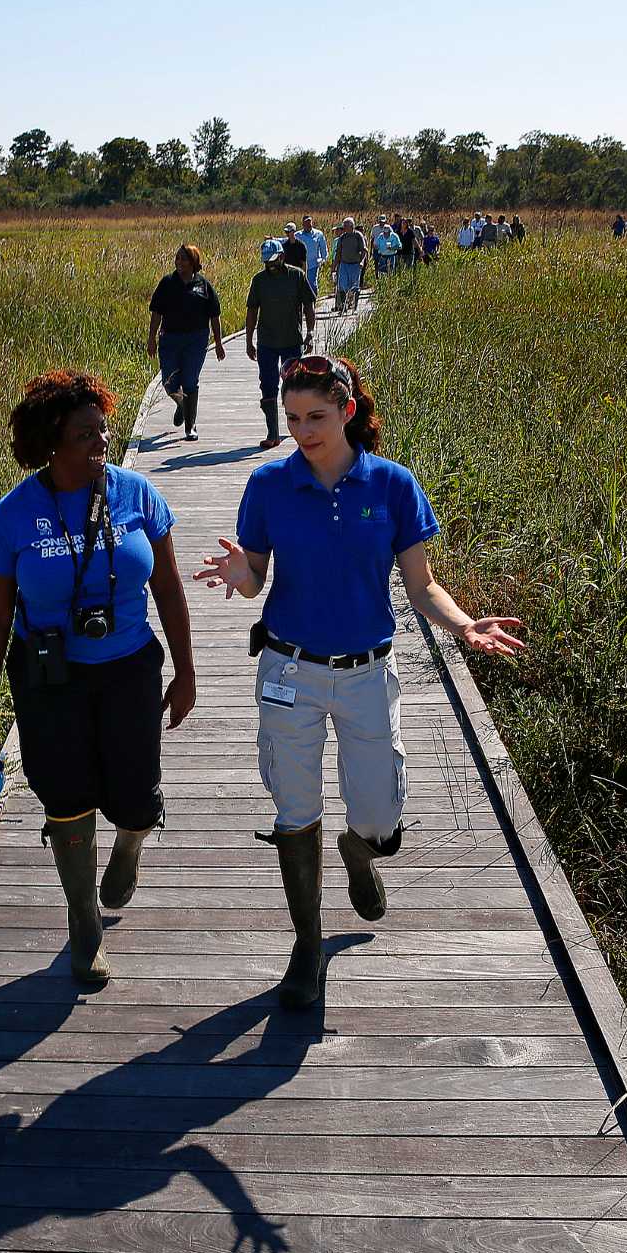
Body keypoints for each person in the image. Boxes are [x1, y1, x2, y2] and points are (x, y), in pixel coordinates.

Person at [194, 356, 525, 1007]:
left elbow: (421, 584)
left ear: (347, 411)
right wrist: (242, 577)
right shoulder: (268, 485)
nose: (303, 431)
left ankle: (358, 849)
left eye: (316, 416)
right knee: (294, 810)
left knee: (380, 816)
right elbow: (256, 576)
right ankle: (307, 948)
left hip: (368, 672)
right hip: (289, 669)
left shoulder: (393, 486)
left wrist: (464, 627)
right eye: (292, 419)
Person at [0, 372, 197, 984]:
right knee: (65, 796)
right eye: (83, 434)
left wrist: (186, 669)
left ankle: (130, 845)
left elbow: (168, 586)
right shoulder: (14, 515)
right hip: (49, 678)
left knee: (136, 794)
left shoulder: (137, 495)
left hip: (128, 666)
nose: (100, 441)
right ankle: (83, 926)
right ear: (52, 442)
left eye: (102, 428)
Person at [146, 243, 225, 442]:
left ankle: (190, 426)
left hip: (196, 340)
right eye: (177, 258)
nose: (179, 262)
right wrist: (151, 339)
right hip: (170, 339)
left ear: (193, 262)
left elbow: (214, 315)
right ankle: (183, 405)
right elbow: (156, 312)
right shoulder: (167, 283)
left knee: (190, 381)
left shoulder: (203, 285)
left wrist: (219, 342)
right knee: (169, 383)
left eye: (183, 259)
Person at [245, 237, 317, 449]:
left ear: (282, 257)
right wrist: (249, 341)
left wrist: (310, 332)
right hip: (267, 341)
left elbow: (309, 307)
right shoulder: (259, 280)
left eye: (273, 261)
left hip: (291, 341)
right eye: (266, 262)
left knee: (293, 386)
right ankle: (272, 433)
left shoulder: (297, 276)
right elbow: (252, 311)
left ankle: (297, 429)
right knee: (267, 385)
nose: (270, 266)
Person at [332, 217, 367, 313]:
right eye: (344, 226)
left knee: (354, 286)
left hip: (355, 265)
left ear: (351, 226)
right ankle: (343, 307)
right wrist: (334, 267)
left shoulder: (358, 235)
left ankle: (354, 307)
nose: (344, 228)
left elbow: (364, 250)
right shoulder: (342, 237)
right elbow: (338, 252)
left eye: (346, 226)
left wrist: (362, 262)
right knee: (342, 285)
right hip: (344, 264)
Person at [297, 213, 328, 294]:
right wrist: (274, 239)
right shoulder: (298, 235)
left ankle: (313, 301)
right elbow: (286, 240)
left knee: (312, 285)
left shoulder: (319, 234)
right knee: (301, 284)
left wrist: (323, 259)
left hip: (313, 264)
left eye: (310, 222)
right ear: (303, 224)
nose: (309, 224)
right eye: (306, 223)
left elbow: (323, 249)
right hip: (301, 264)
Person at [280, 222, 311, 288]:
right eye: (286, 232)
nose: (287, 234)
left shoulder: (301, 246)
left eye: (289, 231)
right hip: (287, 274)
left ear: (294, 231)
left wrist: (304, 276)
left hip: (297, 274)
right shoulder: (284, 246)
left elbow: (304, 263)